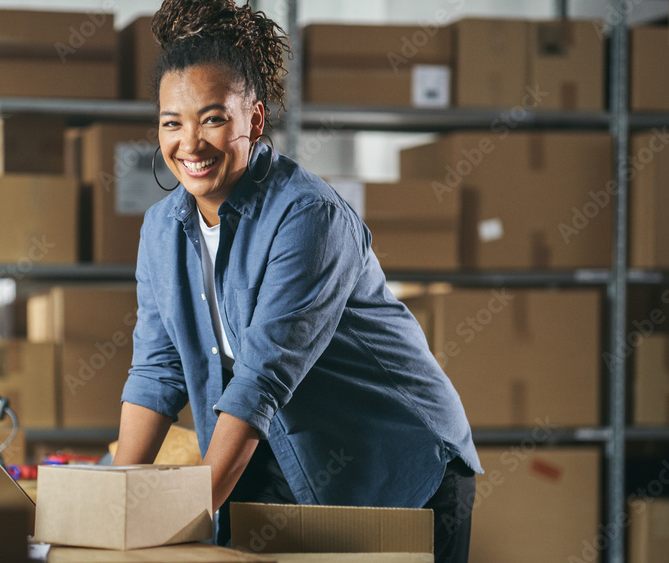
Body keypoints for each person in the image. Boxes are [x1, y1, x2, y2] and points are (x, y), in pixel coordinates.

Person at [112, 2, 482, 561]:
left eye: (213, 119)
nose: (190, 143)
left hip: (391, 465)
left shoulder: (307, 217)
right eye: (172, 122)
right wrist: (114, 515)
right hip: (275, 456)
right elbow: (156, 371)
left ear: (255, 121)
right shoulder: (162, 230)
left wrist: (179, 524)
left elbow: (261, 380)